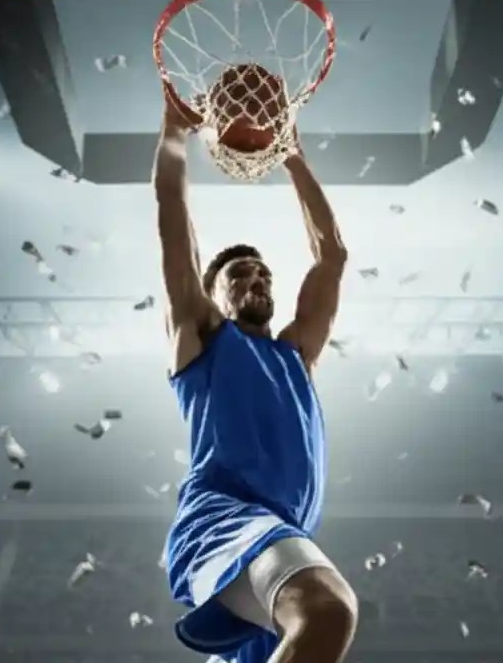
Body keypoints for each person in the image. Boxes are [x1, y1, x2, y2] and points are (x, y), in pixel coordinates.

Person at [152, 87, 357, 663]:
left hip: (280, 538)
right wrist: (173, 132)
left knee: (308, 631)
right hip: (227, 522)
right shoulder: (203, 340)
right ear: (214, 293)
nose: (257, 281)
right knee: (327, 612)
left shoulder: (295, 354)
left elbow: (331, 255)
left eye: (263, 273)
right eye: (240, 275)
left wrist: (290, 153)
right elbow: (174, 230)